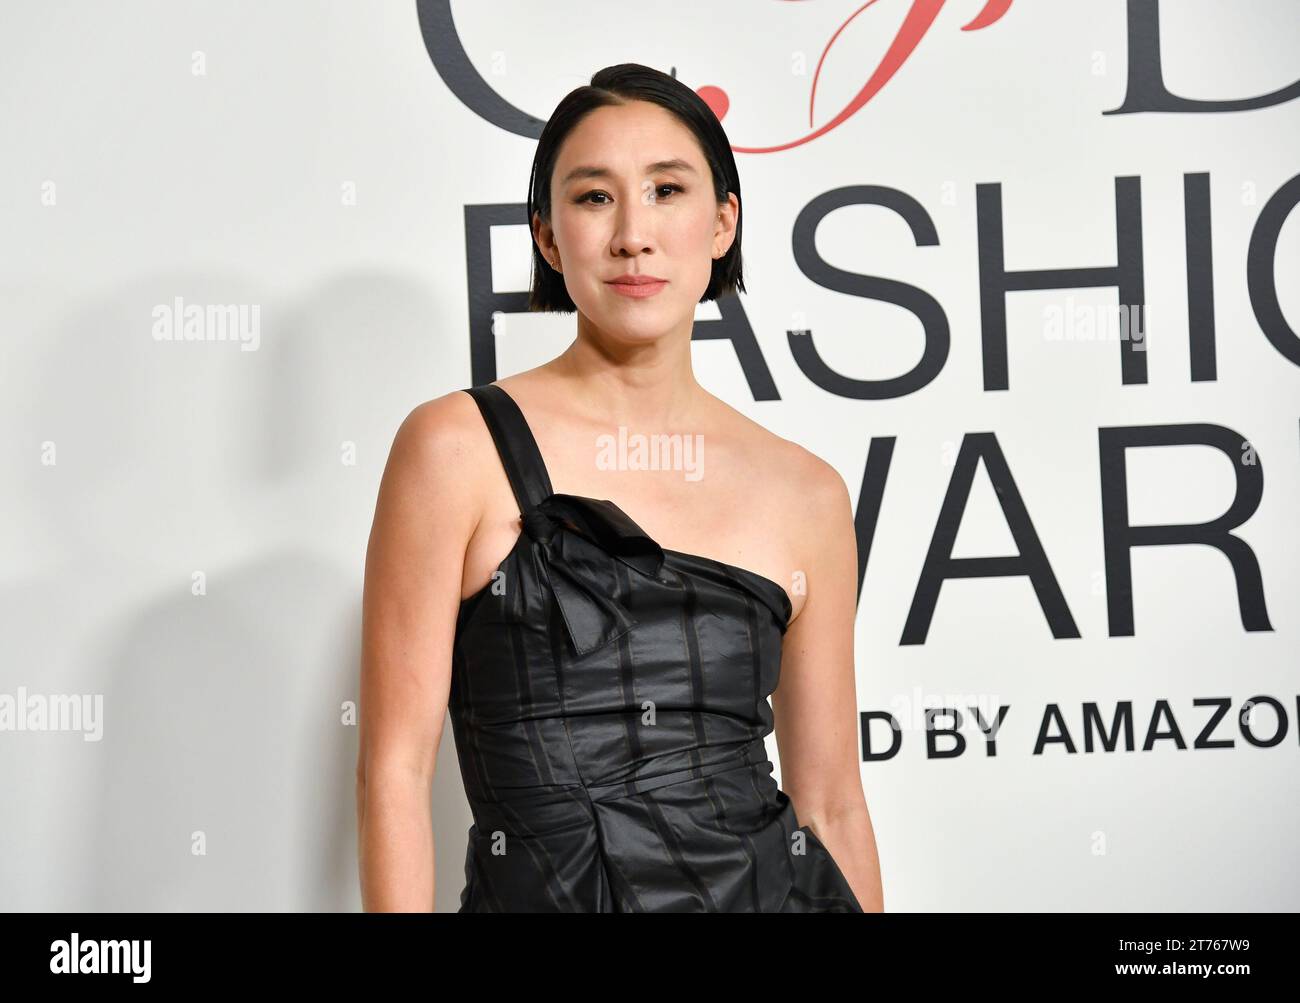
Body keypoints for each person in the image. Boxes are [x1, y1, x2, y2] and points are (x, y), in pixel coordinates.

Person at [357, 62, 883, 912]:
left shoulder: (807, 492)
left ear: (722, 223)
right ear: (547, 235)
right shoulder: (454, 448)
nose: (633, 234)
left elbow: (832, 802)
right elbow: (393, 769)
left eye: (667, 190)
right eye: (595, 197)